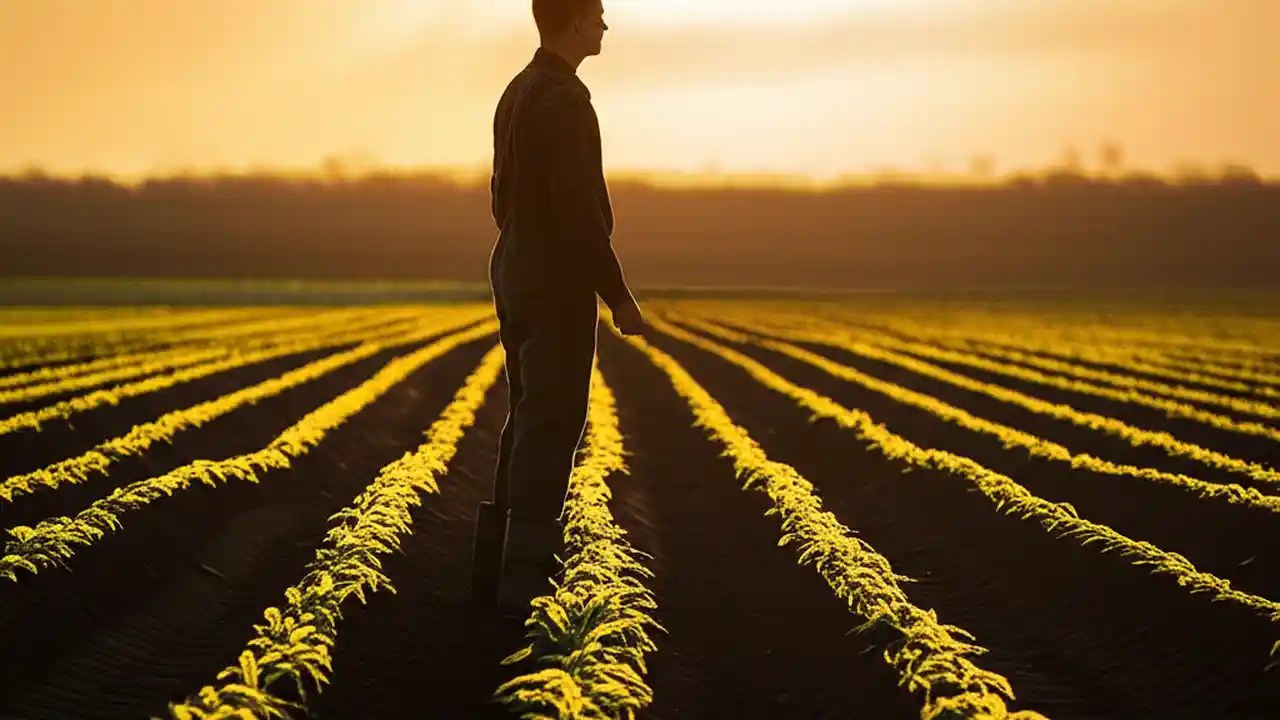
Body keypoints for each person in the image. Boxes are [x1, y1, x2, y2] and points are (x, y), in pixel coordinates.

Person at [469, 0, 647, 617]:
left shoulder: (518, 90)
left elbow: (500, 194)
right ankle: (523, 590)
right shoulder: (565, 100)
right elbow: (578, 212)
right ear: (572, 21)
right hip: (554, 274)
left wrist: (520, 252)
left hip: (515, 265)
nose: (604, 25)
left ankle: (491, 574)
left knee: (525, 414)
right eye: (597, 14)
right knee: (553, 421)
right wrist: (617, 294)